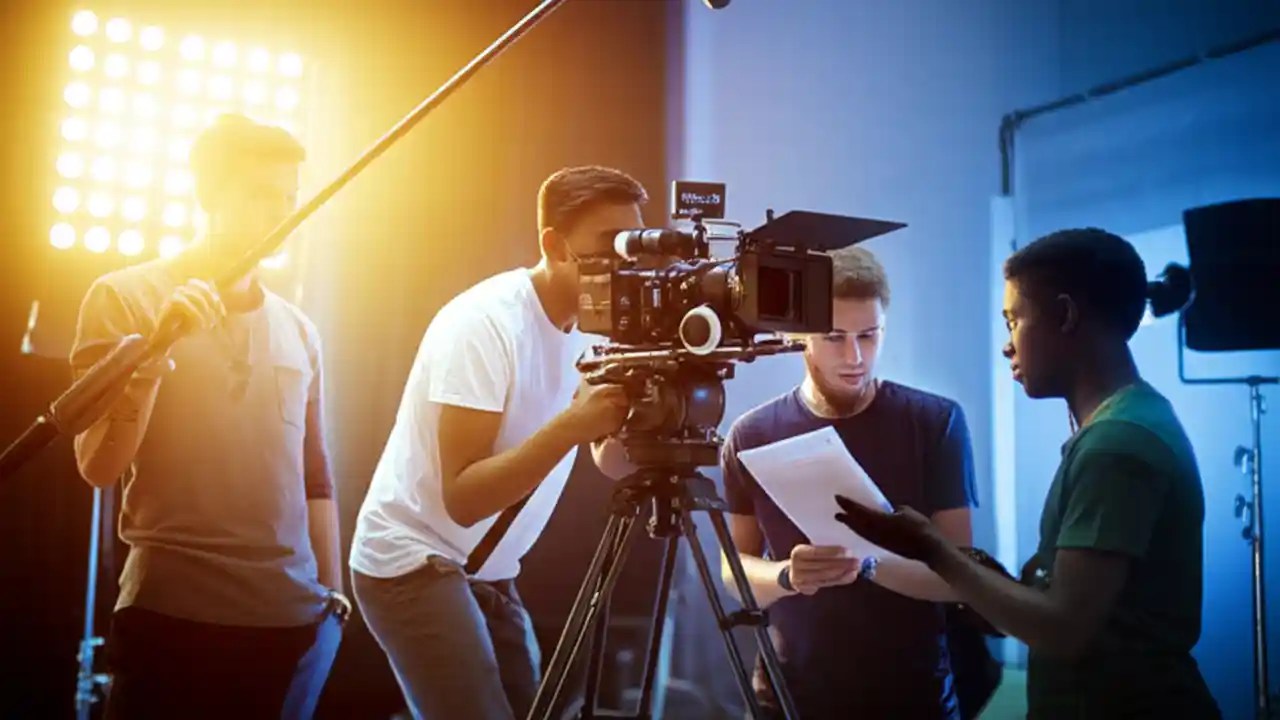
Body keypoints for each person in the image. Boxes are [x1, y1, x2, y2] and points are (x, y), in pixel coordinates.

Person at [835, 228, 1222, 718]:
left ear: (1065, 315)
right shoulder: (1126, 422)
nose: (1007, 346)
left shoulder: (1116, 445)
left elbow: (1062, 629)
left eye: (1014, 320)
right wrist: (988, 584)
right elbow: (1081, 605)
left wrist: (932, 549)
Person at [71, 113, 345, 719]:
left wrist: (334, 602)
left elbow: (315, 475)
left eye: (289, 199)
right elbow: (97, 465)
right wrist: (151, 358)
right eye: (259, 196)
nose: (281, 215)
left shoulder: (301, 330)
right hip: (170, 613)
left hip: (288, 623)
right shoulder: (124, 298)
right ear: (207, 194)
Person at [349, 166, 642, 720]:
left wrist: (651, 430)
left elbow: (607, 456)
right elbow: (463, 499)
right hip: (414, 555)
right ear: (554, 246)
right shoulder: (484, 324)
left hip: (490, 567)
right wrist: (574, 425)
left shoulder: (594, 325)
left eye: (631, 246)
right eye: (607, 247)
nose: (622, 266)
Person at [719, 246, 978, 719]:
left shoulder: (936, 423)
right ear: (797, 337)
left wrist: (868, 565)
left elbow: (963, 577)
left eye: (868, 335)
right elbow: (733, 568)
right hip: (789, 698)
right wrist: (787, 576)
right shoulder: (750, 435)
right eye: (834, 337)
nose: (855, 357)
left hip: (912, 699)